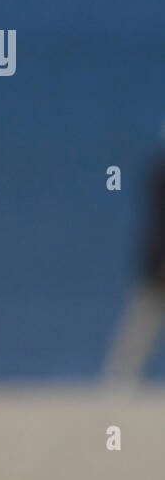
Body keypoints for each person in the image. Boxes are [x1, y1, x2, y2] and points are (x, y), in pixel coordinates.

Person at [102, 127, 165, 388]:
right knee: (145, 318)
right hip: (156, 257)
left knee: (144, 318)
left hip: (153, 255)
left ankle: (121, 378)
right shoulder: (159, 175)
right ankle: (121, 378)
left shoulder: (156, 173)